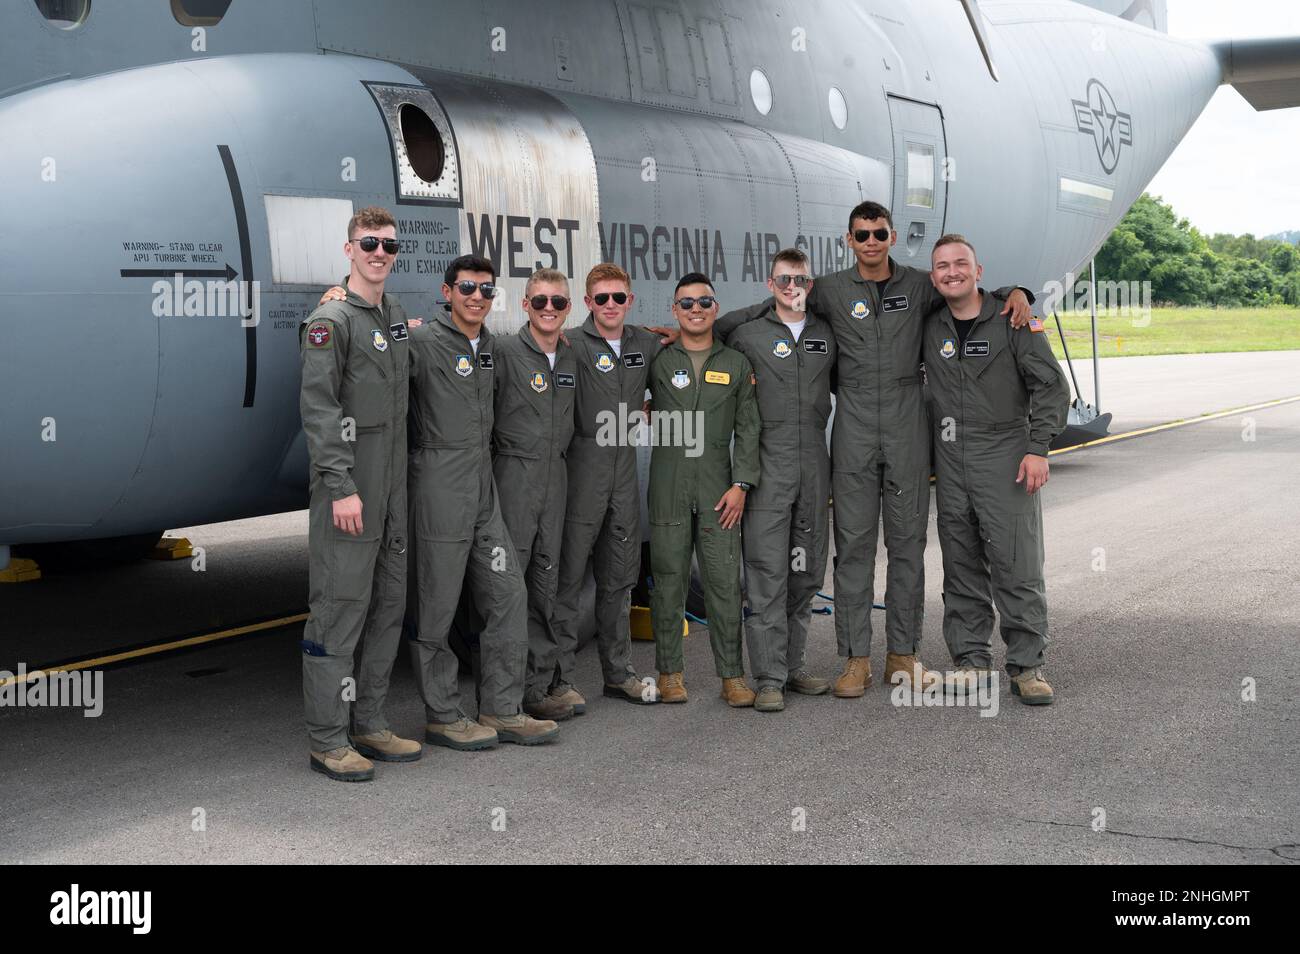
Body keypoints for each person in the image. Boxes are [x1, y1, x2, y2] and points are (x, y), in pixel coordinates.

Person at [714, 201, 1033, 699]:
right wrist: (701, 331)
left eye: (878, 233)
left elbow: (964, 289)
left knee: (908, 544)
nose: (870, 242)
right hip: (855, 422)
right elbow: (777, 304)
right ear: (848, 240)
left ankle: (902, 656)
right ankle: (855, 659)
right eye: (861, 234)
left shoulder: (920, 284)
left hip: (908, 420)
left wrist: (1016, 294)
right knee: (855, 545)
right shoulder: (831, 291)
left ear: (891, 236)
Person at [405, 255, 559, 746]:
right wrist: (336, 300)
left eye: (486, 290)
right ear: (446, 291)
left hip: (482, 488)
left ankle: (500, 709)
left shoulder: (491, 347)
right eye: (467, 288)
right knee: (438, 605)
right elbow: (360, 353)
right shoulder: (422, 342)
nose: (477, 297)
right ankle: (443, 715)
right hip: (439, 485)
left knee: (508, 593)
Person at [299, 206, 421, 782]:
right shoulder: (331, 321)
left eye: (389, 245)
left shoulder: (394, 315)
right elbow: (319, 410)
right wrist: (341, 485)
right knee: (339, 609)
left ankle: (369, 722)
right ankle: (328, 739)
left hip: (393, 486)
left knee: (387, 605)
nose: (380, 252)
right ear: (349, 249)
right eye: (369, 243)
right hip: (350, 488)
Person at [923, 235, 1068, 704]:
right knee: (960, 563)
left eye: (960, 263)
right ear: (933, 276)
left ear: (978, 271)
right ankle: (971, 662)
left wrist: (1038, 448)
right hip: (950, 456)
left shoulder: (1013, 319)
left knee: (1016, 561)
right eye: (942, 266)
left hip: (1005, 452)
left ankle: (1027, 668)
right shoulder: (930, 323)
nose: (952, 272)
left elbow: (1050, 387)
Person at [724, 249, 836, 712]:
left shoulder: (827, 334)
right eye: (783, 280)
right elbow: (708, 333)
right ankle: (768, 677)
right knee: (767, 573)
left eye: (801, 280)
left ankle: (793, 667)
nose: (793, 287)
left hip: (814, 460)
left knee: (805, 571)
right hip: (766, 463)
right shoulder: (746, 335)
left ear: (811, 285)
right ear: (770, 284)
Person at [550, 263, 665, 706]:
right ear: (588, 303)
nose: (611, 305)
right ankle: (557, 680)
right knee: (568, 579)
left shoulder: (645, 342)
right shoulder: (569, 343)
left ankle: (619, 674)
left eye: (619, 297)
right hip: (582, 473)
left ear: (630, 300)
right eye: (602, 298)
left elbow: (690, 350)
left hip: (623, 474)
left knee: (619, 580)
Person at [647, 273, 760, 706]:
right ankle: (670, 673)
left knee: (724, 583)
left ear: (715, 308)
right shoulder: (658, 359)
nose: (696, 309)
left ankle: (732, 677)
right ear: (674, 310)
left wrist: (741, 484)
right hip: (668, 483)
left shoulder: (735, 363)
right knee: (669, 582)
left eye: (704, 302)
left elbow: (749, 429)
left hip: (719, 486)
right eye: (686, 303)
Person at [490, 269, 580, 722]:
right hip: (513, 478)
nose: (549, 309)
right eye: (540, 301)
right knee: (507, 590)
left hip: (555, 479)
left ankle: (540, 685)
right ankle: (502, 700)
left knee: (546, 584)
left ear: (569, 308)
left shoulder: (570, 356)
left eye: (558, 303)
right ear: (524, 305)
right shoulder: (503, 351)